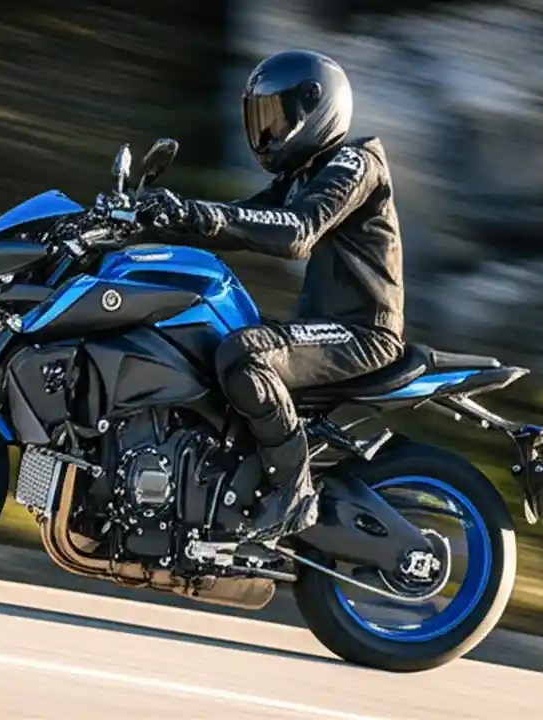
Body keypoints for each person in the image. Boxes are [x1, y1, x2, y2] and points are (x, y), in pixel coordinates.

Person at [141, 50, 405, 542]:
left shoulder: (356, 161)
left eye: (277, 117)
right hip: (322, 327)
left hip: (362, 333)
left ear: (316, 107)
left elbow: (296, 231)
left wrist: (205, 216)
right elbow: (240, 219)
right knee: (198, 337)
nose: (266, 131)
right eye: (261, 119)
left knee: (243, 353)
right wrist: (152, 219)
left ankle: (294, 490)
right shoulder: (299, 176)